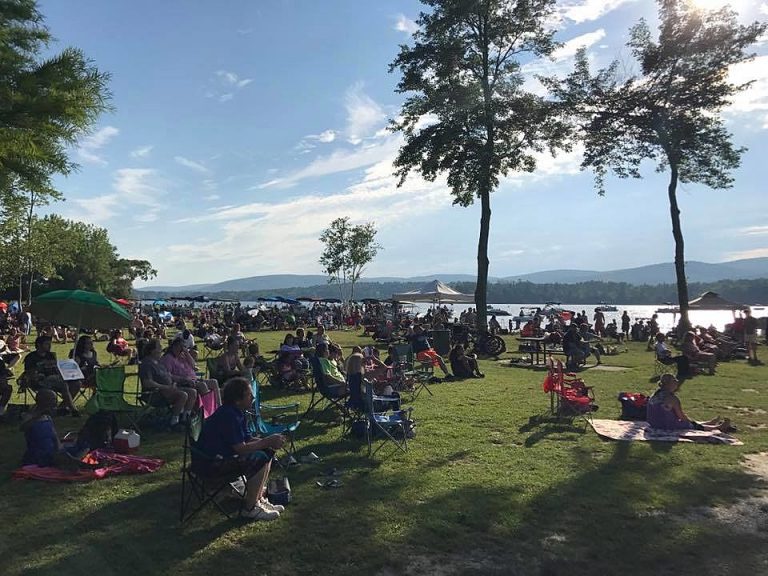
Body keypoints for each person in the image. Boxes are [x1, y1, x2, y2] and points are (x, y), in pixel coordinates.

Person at [193, 377, 286, 521]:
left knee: (268, 451)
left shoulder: (237, 412)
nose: (253, 397)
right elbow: (241, 449)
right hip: (211, 464)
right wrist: (267, 441)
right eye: (249, 395)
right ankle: (250, 508)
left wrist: (268, 442)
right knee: (259, 458)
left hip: (222, 456)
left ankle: (257, 498)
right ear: (237, 400)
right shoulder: (228, 415)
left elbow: (247, 439)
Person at [20, 389, 90, 469]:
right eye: (53, 399)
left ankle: (74, 461)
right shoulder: (30, 416)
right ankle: (81, 464)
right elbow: (23, 427)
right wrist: (38, 416)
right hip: (39, 452)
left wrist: (59, 446)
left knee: (84, 445)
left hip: (53, 449)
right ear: (42, 400)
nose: (56, 402)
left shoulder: (48, 417)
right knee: (60, 456)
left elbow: (54, 435)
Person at [139, 339, 197, 427]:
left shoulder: (157, 362)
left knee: (192, 392)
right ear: (152, 351)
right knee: (183, 395)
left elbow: (169, 375)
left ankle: (185, 417)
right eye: (159, 347)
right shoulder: (146, 363)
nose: (161, 349)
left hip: (169, 389)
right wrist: (166, 387)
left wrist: (184, 379)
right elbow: (147, 383)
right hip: (155, 394)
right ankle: (174, 422)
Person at [647, 374, 733, 432]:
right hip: (665, 425)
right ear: (669, 384)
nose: (677, 382)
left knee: (686, 422)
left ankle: (707, 423)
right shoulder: (672, 398)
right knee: (687, 424)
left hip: (653, 423)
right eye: (674, 381)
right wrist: (690, 423)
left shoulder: (655, 394)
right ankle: (717, 428)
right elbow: (681, 417)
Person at [22, 335, 79, 416]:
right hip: (39, 381)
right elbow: (29, 373)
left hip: (55, 380)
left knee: (76, 383)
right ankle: (73, 409)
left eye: (50, 344)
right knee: (63, 384)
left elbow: (56, 369)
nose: (49, 346)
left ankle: (61, 407)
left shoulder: (51, 355)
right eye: (47, 344)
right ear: (39, 345)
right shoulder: (31, 357)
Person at [162, 338, 222, 407]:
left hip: (194, 380)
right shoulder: (168, 358)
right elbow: (168, 375)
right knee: (202, 385)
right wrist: (184, 379)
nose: (182, 349)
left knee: (214, 382)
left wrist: (187, 353)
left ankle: (219, 406)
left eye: (183, 347)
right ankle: (208, 410)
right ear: (174, 347)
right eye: (180, 347)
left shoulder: (182, 356)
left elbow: (193, 365)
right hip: (182, 383)